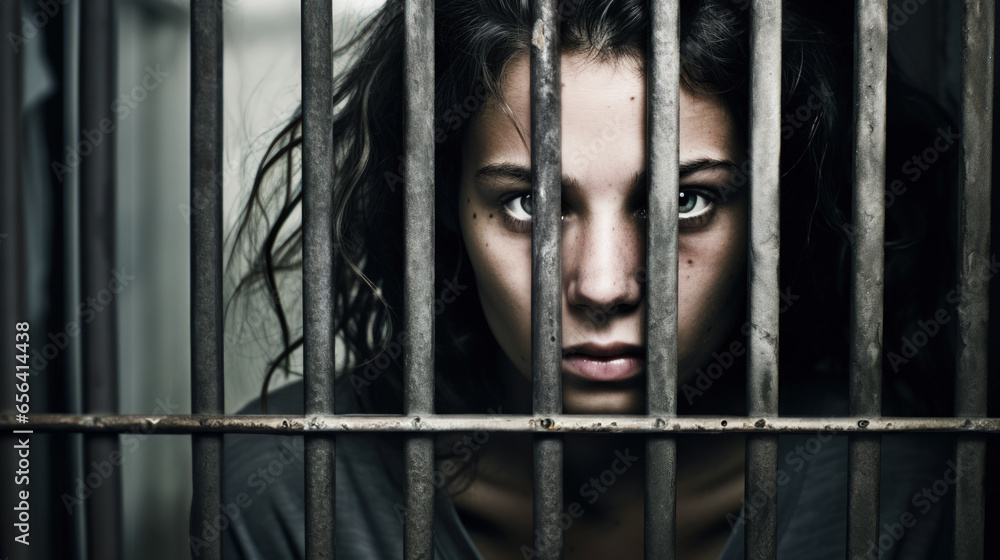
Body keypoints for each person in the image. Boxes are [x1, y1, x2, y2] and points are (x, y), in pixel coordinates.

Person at [215, 1, 960, 558]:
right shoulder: (288, 485)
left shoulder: (894, 483)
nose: (604, 287)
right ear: (440, 206)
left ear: (772, 207)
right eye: (530, 204)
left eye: (685, 201)